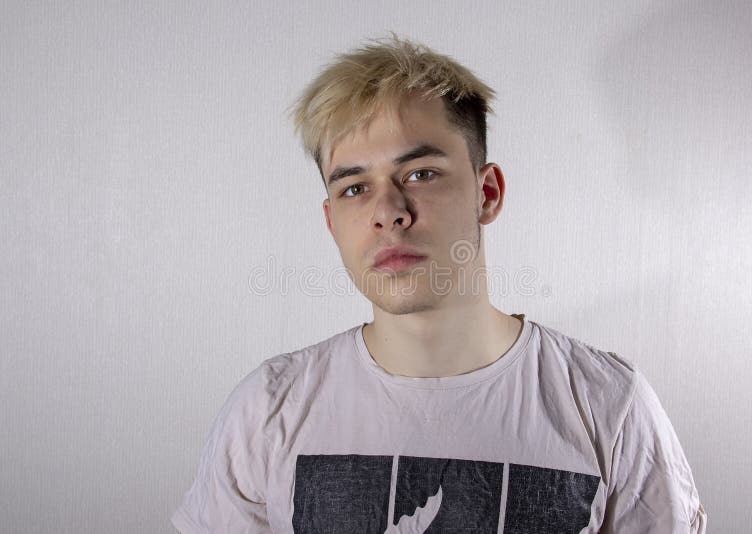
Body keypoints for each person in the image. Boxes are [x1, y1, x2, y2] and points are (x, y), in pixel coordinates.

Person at [172, 36, 706, 533]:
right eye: (355, 187)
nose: (388, 212)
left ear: (487, 193)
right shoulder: (268, 409)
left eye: (420, 173)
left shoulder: (609, 406)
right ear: (332, 221)